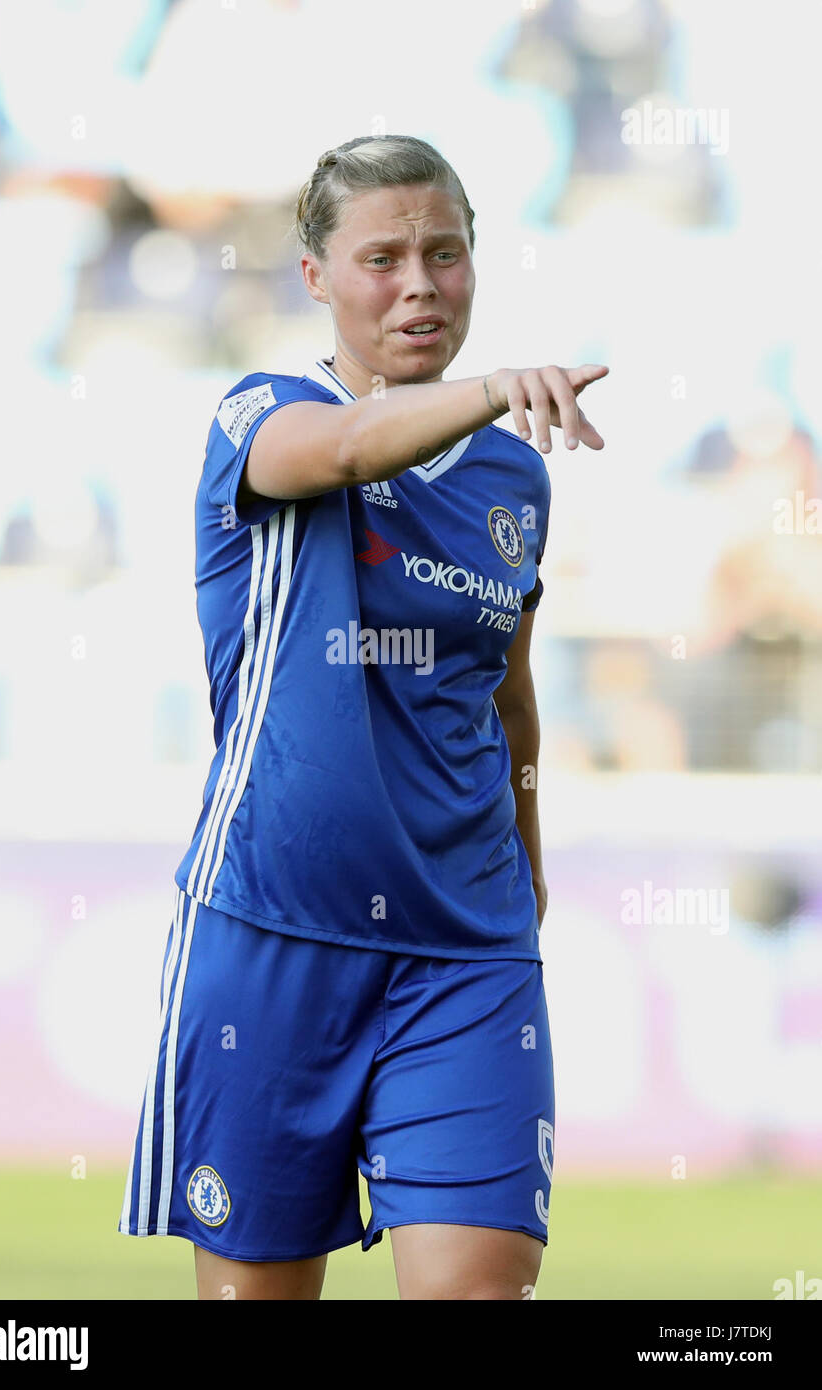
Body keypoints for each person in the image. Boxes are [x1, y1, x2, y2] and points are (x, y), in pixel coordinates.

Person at [118, 134, 608, 1300]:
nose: (421, 283)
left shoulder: (513, 480)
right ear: (315, 278)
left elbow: (509, 693)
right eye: (382, 257)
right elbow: (337, 451)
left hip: (467, 947)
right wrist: (485, 390)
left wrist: (527, 870)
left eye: (446, 252)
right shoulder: (263, 412)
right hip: (272, 928)